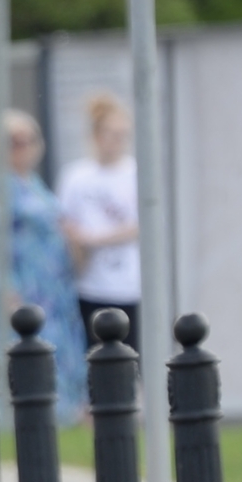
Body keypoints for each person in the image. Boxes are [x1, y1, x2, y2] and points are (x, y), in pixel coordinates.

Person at [0, 109, 85, 418]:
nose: (22, 147)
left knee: (59, 353)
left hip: (54, 288)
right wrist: (4, 288)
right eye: (13, 141)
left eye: (28, 140)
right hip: (22, 288)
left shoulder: (35, 184)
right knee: (25, 352)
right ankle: (28, 417)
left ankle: (64, 416)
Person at [59, 91, 141, 351]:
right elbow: (66, 222)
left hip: (127, 285)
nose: (119, 141)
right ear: (96, 135)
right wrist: (78, 247)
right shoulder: (76, 176)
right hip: (88, 286)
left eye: (123, 134)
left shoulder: (135, 173)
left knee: (128, 359)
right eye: (113, 134)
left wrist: (94, 238)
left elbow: (140, 226)